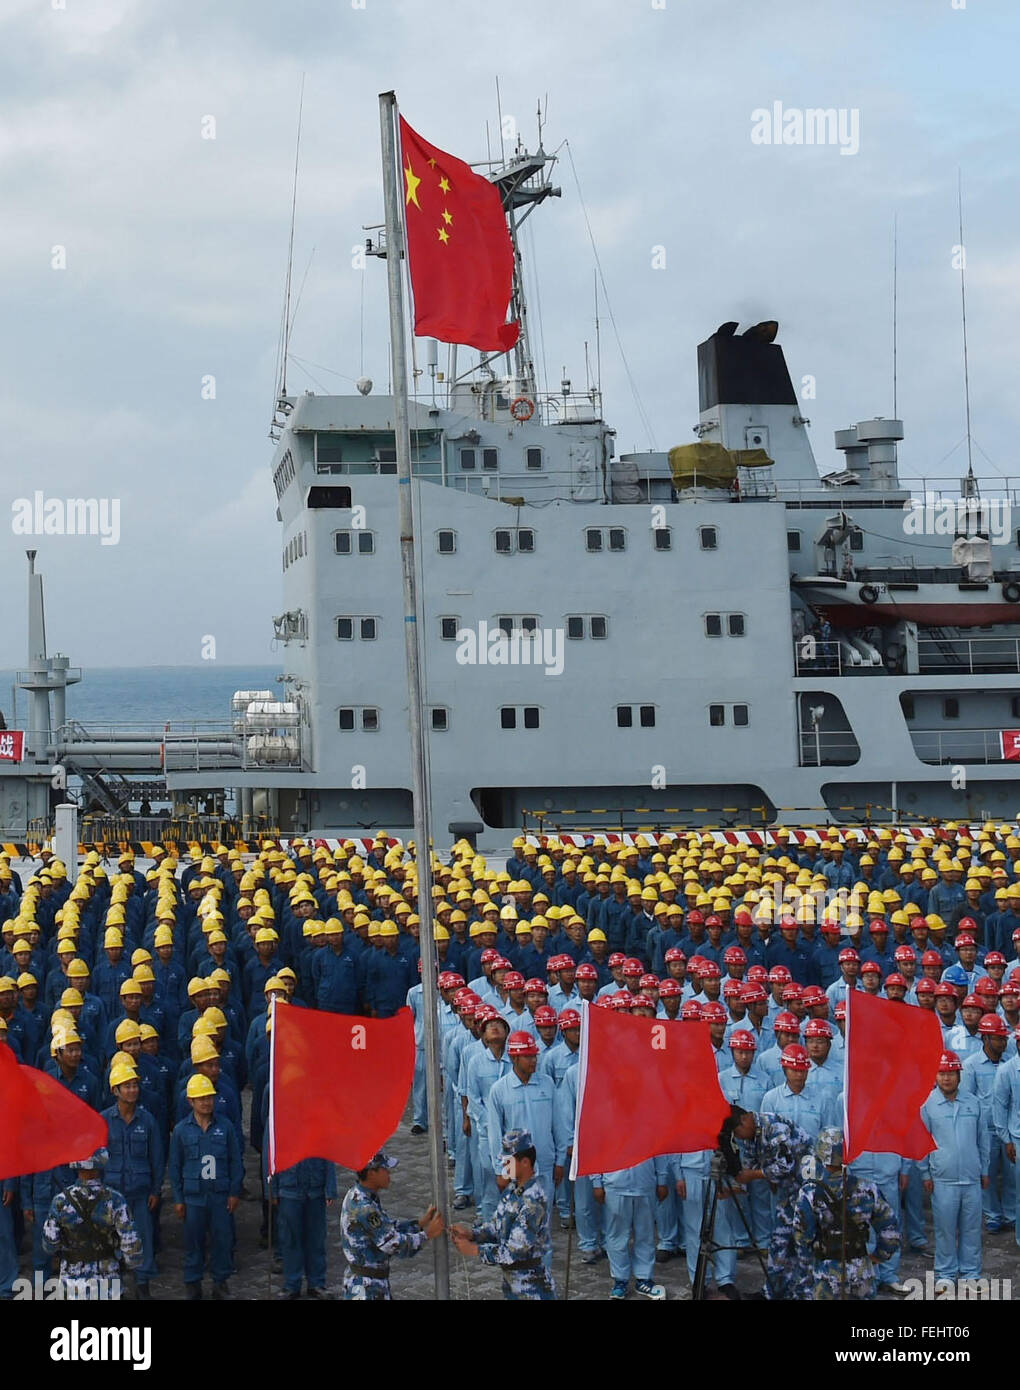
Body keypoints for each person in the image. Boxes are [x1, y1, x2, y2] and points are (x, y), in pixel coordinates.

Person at [790, 1128, 900, 1299]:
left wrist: (810, 1262)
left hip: (826, 1276)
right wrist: (879, 1256)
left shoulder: (810, 1192)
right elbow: (890, 1231)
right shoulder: (868, 1188)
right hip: (861, 1272)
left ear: (819, 1153)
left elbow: (802, 1237)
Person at [450, 1128, 555, 1299]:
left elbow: (513, 1252)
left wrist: (476, 1250)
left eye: (508, 1162)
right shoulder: (513, 1189)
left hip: (532, 1288)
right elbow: (498, 1227)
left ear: (525, 1163)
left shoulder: (534, 1202)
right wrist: (472, 1234)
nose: (504, 1166)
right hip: (513, 1285)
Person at [723, 1105, 815, 1300]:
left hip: (808, 1192)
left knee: (803, 1244)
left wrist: (754, 1175)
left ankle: (804, 1294)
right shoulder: (749, 1137)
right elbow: (749, 1166)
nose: (738, 1138)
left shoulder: (775, 1128)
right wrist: (734, 1189)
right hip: (789, 1192)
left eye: (737, 1132)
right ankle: (772, 1292)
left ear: (746, 1120)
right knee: (779, 1242)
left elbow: (785, 1166)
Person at [918, 1050, 990, 1293]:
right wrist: (925, 1174)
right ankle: (946, 1273)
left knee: (971, 1228)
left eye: (951, 1073)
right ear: (935, 1076)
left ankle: (971, 1272)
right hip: (942, 1180)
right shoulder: (927, 1105)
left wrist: (985, 1170)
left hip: (971, 1178)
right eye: (941, 1073)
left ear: (959, 1076)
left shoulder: (973, 1103)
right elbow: (922, 1142)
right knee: (945, 1228)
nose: (946, 1078)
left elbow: (983, 1140)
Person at [167, 1073, 244, 1300]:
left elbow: (235, 1161)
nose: (206, 1102)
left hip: (219, 1196)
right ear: (191, 1101)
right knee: (193, 1242)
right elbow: (175, 1166)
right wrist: (178, 1198)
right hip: (193, 1198)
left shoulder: (226, 1127)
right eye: (201, 1098)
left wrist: (234, 1191)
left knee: (222, 1240)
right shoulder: (181, 1131)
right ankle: (193, 1282)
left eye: (209, 1098)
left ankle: (220, 1282)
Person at [42, 1148, 144, 1300]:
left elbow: (49, 1244)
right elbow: (132, 1247)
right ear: (102, 1163)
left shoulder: (61, 1201)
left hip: (72, 1286)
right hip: (108, 1285)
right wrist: (128, 1263)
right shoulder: (115, 1200)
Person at [339, 1150, 442, 1300]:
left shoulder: (358, 1194)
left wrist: (420, 1223)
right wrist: (428, 1234)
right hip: (367, 1288)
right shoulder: (365, 1207)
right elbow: (394, 1244)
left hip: (366, 1282)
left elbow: (384, 1228)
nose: (389, 1174)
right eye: (385, 1169)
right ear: (371, 1173)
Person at [101, 1056, 163, 1299]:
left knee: (143, 1241)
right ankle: (115, 1287)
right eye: (127, 1086)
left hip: (140, 1191)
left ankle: (143, 1285)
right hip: (112, 1193)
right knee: (112, 1242)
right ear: (115, 1090)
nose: (132, 1090)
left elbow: (156, 1158)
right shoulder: (104, 1120)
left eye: (135, 1085)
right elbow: (97, 1158)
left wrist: (156, 1190)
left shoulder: (147, 1120)